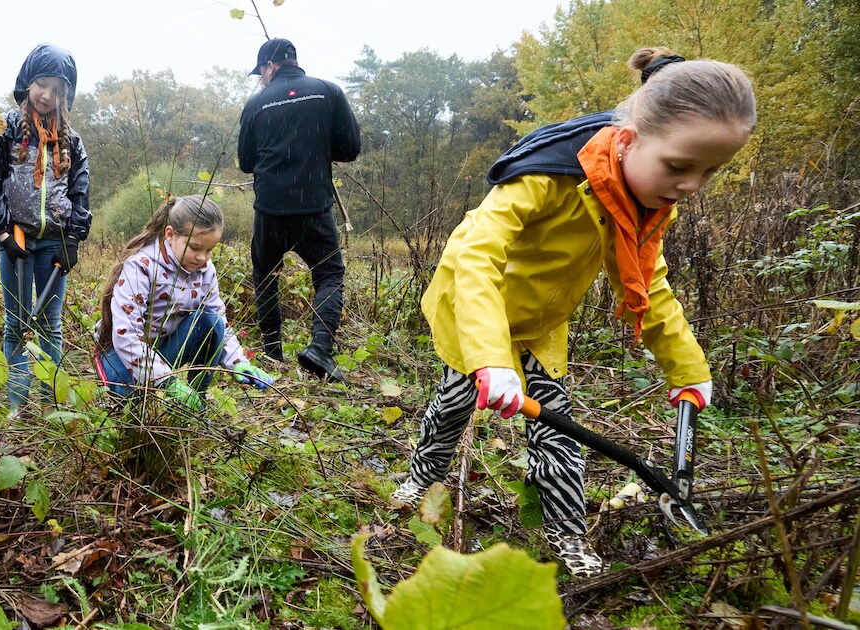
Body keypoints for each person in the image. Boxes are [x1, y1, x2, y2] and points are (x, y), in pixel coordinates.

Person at [390, 48, 756, 578]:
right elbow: (476, 258)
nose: (690, 186)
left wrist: (688, 368)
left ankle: (568, 535)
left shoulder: (641, 203)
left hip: (542, 323)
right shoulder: (546, 175)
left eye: (709, 171)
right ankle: (423, 477)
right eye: (679, 166)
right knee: (453, 406)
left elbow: (647, 281)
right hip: (474, 314)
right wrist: (491, 360)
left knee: (556, 430)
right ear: (629, 141)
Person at [237, 38, 361, 383]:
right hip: (314, 208)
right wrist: (316, 146)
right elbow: (351, 149)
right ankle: (320, 349)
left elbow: (247, 162)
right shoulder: (328, 91)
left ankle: (272, 353)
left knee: (265, 276)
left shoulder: (256, 103)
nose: (260, 78)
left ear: (270, 66)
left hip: (270, 210)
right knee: (328, 275)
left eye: (260, 71)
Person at [0, 44, 90, 418]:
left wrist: (72, 239)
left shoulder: (72, 141)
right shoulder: (5, 128)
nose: (47, 95)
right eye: (42, 84)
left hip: (55, 245)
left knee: (50, 326)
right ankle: (16, 406)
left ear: (66, 95)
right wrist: (4, 234)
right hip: (16, 241)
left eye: (58, 89)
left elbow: (80, 193)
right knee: (16, 323)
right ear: (28, 82)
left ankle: (50, 403)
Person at [94, 195, 274, 411]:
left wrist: (239, 363)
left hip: (165, 349)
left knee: (211, 322)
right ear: (170, 235)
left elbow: (219, 324)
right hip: (122, 357)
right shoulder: (141, 267)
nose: (202, 258)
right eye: (195, 248)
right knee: (129, 408)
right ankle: (141, 393)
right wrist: (167, 381)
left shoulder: (205, 271)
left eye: (209, 250)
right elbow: (126, 335)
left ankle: (196, 403)